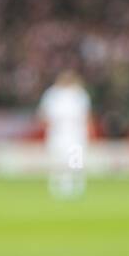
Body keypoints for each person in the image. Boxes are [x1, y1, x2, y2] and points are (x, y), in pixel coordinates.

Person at [38, 70, 91, 199]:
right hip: (58, 131)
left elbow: (86, 115)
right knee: (58, 159)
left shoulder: (79, 94)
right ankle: (57, 184)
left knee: (75, 161)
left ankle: (76, 185)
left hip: (75, 131)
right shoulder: (52, 94)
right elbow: (44, 114)